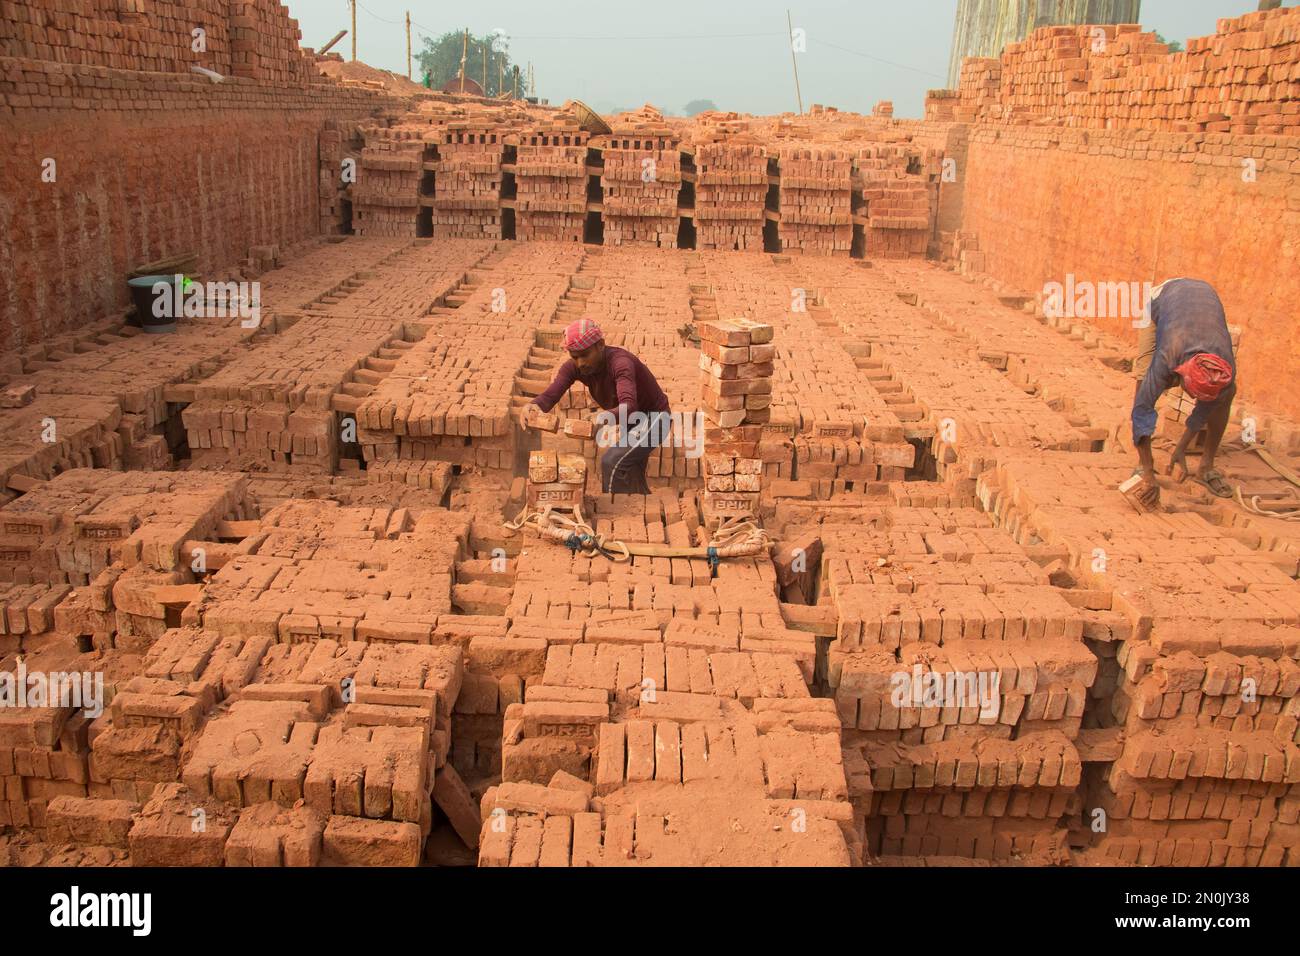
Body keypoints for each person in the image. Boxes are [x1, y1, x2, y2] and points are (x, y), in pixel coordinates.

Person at [521, 319, 671, 495]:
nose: (579, 363)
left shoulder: (620, 363)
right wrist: (533, 406)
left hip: (655, 419)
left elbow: (629, 406)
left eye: (584, 355)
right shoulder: (575, 368)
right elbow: (550, 396)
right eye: (574, 357)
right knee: (631, 474)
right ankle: (641, 511)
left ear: (600, 345)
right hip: (631, 423)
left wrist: (601, 417)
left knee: (612, 461)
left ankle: (614, 512)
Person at [1130, 278, 1237, 508]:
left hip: (1203, 302)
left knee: (1225, 398)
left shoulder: (1225, 369)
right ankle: (1142, 464)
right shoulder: (1168, 357)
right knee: (1143, 379)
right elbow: (1142, 409)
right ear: (1180, 376)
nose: (1190, 399)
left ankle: (1206, 467)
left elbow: (1206, 408)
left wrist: (1182, 448)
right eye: (1192, 394)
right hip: (1163, 298)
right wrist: (1150, 474)